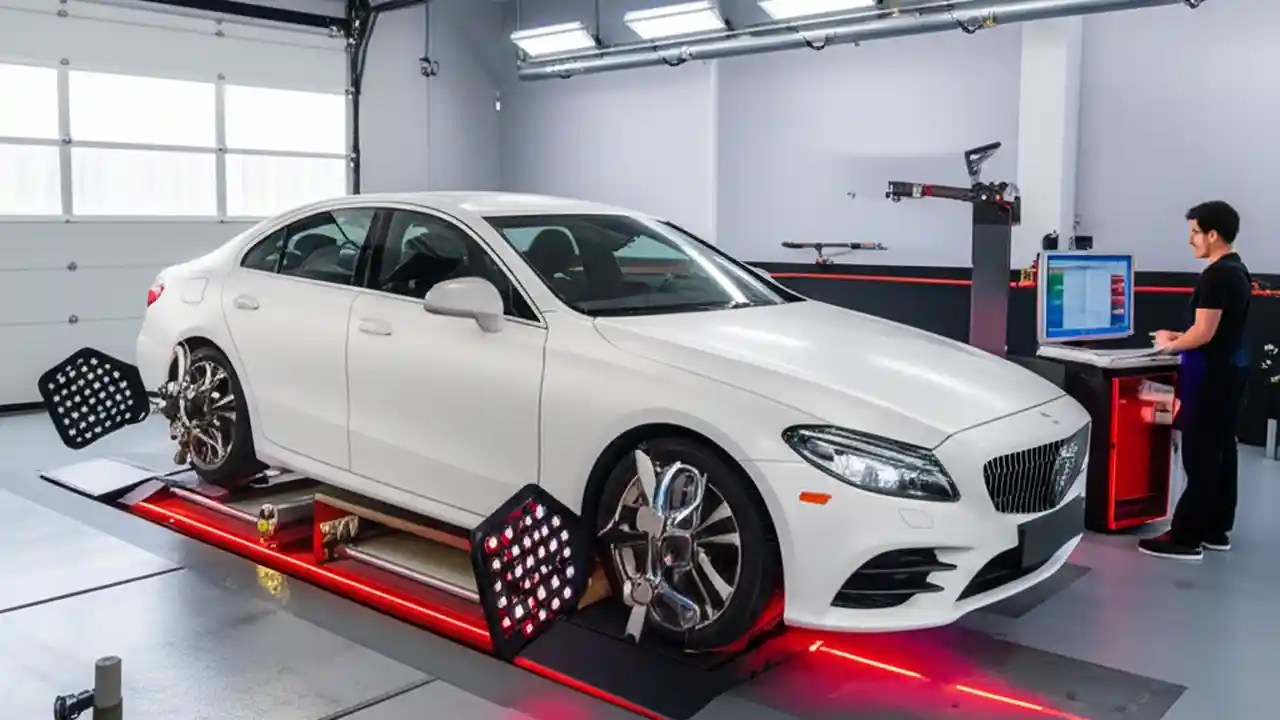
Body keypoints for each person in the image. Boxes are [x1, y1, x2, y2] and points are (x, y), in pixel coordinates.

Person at [1139, 200, 1252, 561]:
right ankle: (1216, 529)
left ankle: (1185, 537)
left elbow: (1203, 334)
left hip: (1210, 377)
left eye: (1195, 233)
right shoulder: (1238, 269)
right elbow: (1218, 329)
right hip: (1231, 372)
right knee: (1222, 452)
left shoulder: (1216, 276)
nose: (1190, 241)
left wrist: (1166, 349)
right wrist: (1178, 334)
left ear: (1213, 235)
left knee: (1200, 456)